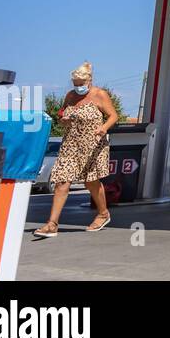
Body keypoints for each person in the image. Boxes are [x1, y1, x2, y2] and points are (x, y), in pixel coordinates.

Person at [34, 62, 119, 237]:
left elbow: (113, 115)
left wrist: (104, 128)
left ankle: (103, 214)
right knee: (61, 181)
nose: (78, 87)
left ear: (90, 80)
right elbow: (63, 113)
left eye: (81, 83)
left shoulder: (99, 95)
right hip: (70, 144)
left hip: (93, 144)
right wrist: (63, 120)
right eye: (75, 83)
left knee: (91, 181)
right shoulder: (71, 96)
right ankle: (52, 224)